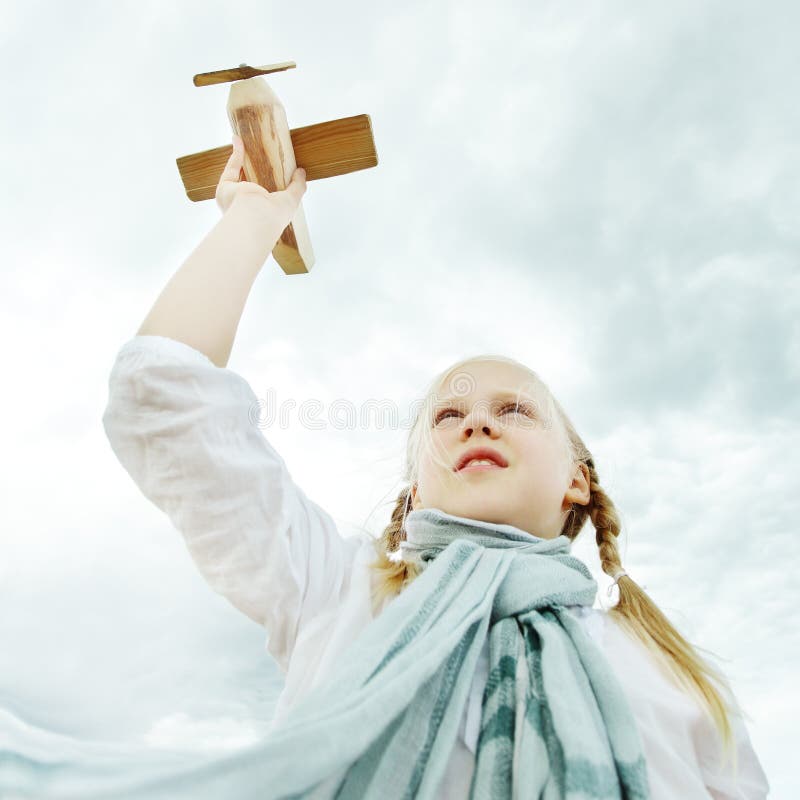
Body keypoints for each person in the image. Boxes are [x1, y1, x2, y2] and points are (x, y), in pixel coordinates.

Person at [101, 136, 770, 798]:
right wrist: (252, 215)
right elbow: (160, 396)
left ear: (577, 480)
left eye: (514, 409)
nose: (477, 422)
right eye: (447, 417)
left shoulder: (678, 681)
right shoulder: (337, 595)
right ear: (417, 489)